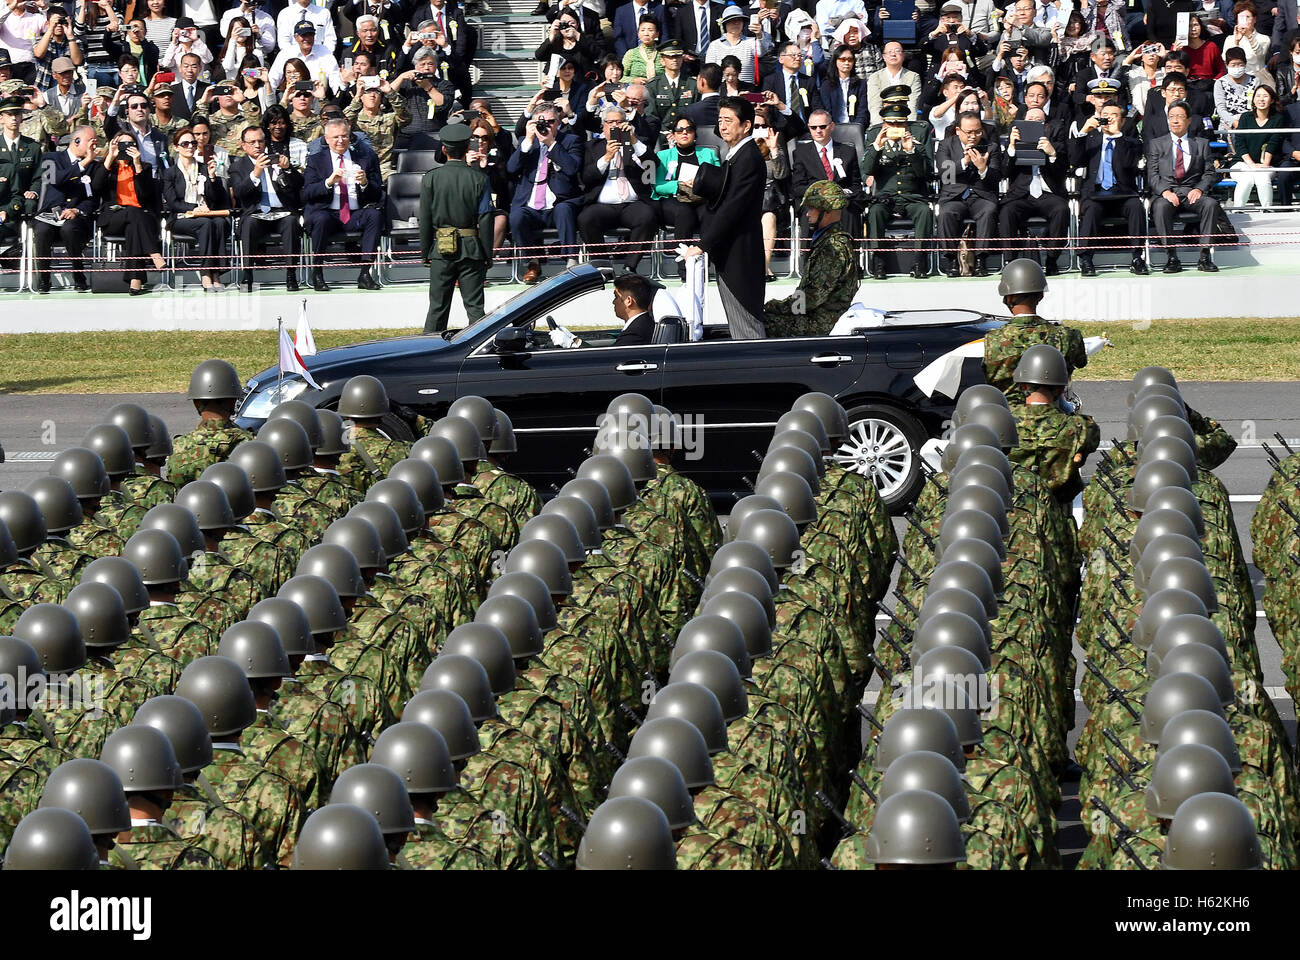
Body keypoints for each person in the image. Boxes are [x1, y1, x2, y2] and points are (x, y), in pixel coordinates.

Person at [684, 95, 766, 338]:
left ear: (746, 125)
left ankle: (759, 374)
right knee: (738, 323)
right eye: (720, 120)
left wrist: (702, 246)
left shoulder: (749, 157)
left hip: (741, 253)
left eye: (729, 120)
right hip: (730, 252)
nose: (722, 125)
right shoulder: (735, 154)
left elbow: (733, 207)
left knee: (746, 324)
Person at [419, 122, 493, 334]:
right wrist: (487, 254)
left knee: (437, 308)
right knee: (475, 308)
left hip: (441, 251)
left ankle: (428, 351)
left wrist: (425, 252)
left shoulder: (431, 178)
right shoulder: (480, 179)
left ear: (444, 149)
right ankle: (481, 350)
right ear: (467, 149)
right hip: (471, 250)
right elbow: (486, 219)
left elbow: (425, 218)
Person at [982, 257, 1087, 397]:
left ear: (1008, 298)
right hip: (1053, 412)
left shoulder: (992, 340)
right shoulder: (1067, 336)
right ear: (1041, 295)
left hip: (1007, 416)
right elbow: (1081, 362)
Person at [765, 181, 858, 338]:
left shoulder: (833, 248)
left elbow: (812, 297)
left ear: (827, 211)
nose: (808, 214)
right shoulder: (827, 241)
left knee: (761, 323)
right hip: (816, 317)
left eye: (812, 208)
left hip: (821, 323)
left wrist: (776, 306)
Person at [303, 116, 383, 290]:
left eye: (345, 136)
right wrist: (328, 182)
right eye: (336, 137)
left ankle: (364, 273)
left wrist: (365, 183)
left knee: (374, 215)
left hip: (354, 214)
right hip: (328, 214)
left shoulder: (364, 158)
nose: (341, 141)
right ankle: (317, 273)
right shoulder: (316, 160)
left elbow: (378, 193)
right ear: (326, 139)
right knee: (321, 219)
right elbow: (306, 193)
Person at [507, 101, 582, 284]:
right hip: (531, 204)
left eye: (550, 122)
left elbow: (572, 169)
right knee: (516, 216)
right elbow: (511, 169)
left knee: (564, 210)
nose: (545, 126)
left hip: (558, 202)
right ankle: (533, 263)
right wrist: (528, 141)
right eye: (540, 122)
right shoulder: (528, 144)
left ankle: (570, 260)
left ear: (558, 123)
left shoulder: (571, 140)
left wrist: (551, 143)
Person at [1069, 100, 1147, 275]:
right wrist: (1082, 133)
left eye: (1114, 116)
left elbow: (1128, 164)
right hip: (1095, 193)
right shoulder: (1090, 139)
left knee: (1136, 207)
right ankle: (1086, 259)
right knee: (1091, 210)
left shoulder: (1131, 142)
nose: (1109, 119)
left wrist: (1117, 136)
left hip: (1123, 193)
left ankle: (1137, 257)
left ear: (1123, 120)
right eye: (1105, 116)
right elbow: (1074, 160)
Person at [578, 103, 658, 274]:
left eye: (618, 122)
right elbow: (586, 177)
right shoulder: (592, 146)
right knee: (586, 219)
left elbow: (652, 167)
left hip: (632, 203)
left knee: (647, 216)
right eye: (610, 122)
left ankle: (630, 266)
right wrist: (607, 157)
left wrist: (634, 141)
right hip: (602, 205)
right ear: (603, 125)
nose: (614, 126)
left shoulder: (638, 144)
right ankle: (603, 266)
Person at [862, 99, 934, 279]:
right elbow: (868, 170)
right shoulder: (876, 143)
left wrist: (911, 152)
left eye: (899, 123)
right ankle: (878, 261)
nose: (895, 127)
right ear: (884, 124)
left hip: (912, 196)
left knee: (924, 211)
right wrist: (877, 146)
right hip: (886, 197)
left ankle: (919, 261)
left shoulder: (916, 145)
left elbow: (925, 174)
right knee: (875, 212)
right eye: (890, 123)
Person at [1148, 99, 1222, 272]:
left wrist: (1199, 189)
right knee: (1160, 207)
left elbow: (1210, 173)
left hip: (1191, 193)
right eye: (1171, 116)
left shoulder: (1201, 144)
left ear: (1189, 120)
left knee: (1210, 204)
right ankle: (1171, 257)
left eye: (1180, 116)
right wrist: (1165, 191)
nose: (1175, 120)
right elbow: (1152, 175)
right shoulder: (1157, 144)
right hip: (1167, 193)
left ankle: (1205, 256)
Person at [229, 121, 302, 291]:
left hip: (281, 211)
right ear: (243, 146)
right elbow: (239, 192)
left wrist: (288, 169)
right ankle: (247, 275)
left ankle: (291, 275)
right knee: (248, 225)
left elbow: (299, 185)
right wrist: (256, 173)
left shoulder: (276, 159)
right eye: (252, 142)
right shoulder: (237, 166)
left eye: (261, 141)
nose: (257, 145)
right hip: (256, 213)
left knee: (291, 222)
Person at [93, 127, 166, 293]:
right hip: (113, 217)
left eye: (130, 144)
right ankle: (154, 253)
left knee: (134, 223)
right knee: (134, 213)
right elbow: (96, 187)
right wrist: (110, 156)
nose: (125, 147)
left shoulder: (144, 167)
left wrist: (137, 164)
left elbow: (146, 195)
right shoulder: (106, 167)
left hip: (140, 218)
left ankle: (135, 280)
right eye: (122, 144)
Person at [1000, 106, 1069, 275]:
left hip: (1048, 192)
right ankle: (1010, 260)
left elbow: (1062, 173)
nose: (1033, 123)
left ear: (1045, 125)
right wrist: (1012, 148)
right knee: (1007, 210)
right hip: (1022, 194)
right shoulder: (1013, 140)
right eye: (1030, 120)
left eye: (1038, 120)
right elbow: (1004, 173)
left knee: (1061, 209)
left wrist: (1052, 154)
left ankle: (1052, 259)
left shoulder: (1056, 143)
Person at [32, 122, 98, 292]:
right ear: (76, 141)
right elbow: (56, 179)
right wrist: (84, 163)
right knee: (42, 231)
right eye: (91, 141)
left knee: (69, 229)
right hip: (49, 214)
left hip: (75, 216)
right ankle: (44, 279)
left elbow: (93, 197)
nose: (94, 145)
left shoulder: (93, 166)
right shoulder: (50, 158)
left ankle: (79, 275)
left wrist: (77, 210)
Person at [936, 109, 1003, 277]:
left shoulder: (991, 147)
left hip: (981, 195)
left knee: (988, 211)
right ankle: (951, 260)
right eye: (969, 132)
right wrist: (964, 162)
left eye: (978, 131)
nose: (973, 136)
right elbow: (944, 174)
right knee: (946, 213)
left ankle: (981, 260)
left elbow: (997, 177)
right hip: (955, 195)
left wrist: (983, 169)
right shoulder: (946, 145)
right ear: (958, 130)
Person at [162, 123, 229, 288]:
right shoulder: (170, 172)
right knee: (206, 223)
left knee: (220, 223)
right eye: (185, 144)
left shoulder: (204, 168)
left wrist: (213, 178)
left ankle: (217, 272)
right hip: (182, 217)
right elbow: (172, 202)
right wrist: (193, 208)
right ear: (176, 147)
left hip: (207, 213)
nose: (190, 146)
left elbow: (216, 198)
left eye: (192, 143)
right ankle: (206, 272)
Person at [652, 114, 719, 278]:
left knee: (709, 213)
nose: (684, 133)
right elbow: (657, 185)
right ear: (673, 134)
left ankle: (706, 263)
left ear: (695, 133)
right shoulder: (663, 156)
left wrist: (700, 183)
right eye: (679, 130)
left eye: (689, 130)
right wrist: (680, 184)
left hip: (701, 198)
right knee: (684, 213)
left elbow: (719, 178)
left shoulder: (708, 154)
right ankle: (684, 268)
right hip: (674, 199)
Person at [789, 108, 863, 234]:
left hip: (842, 201)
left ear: (832, 126)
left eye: (822, 126)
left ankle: (849, 252)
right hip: (813, 200)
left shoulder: (848, 151)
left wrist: (841, 194)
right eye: (813, 127)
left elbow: (855, 184)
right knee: (810, 212)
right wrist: (823, 193)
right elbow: (798, 187)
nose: (818, 131)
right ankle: (810, 253)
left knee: (849, 210)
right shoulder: (801, 153)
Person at [0, 95, 40, 261]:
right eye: (9, 114)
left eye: (17, 114)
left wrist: (34, 192)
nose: (14, 118)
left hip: (24, 202)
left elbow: (39, 177)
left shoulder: (32, 146)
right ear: (1, 118)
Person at [1231, 82, 1282, 206]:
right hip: (1243, 162)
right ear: (1253, 100)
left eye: (1265, 96)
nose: (1261, 99)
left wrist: (1264, 164)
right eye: (1258, 96)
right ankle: (1238, 211)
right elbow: (1240, 143)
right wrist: (1252, 165)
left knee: (1263, 179)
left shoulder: (1278, 118)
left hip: (1266, 163)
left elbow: (1273, 142)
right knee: (1246, 179)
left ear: (1272, 100)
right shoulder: (1245, 117)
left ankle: (1267, 210)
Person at [753, 104, 787, 281]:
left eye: (762, 126)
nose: (759, 129)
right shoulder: (742, 146)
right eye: (755, 126)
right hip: (745, 198)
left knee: (768, 217)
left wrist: (773, 150)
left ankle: (764, 266)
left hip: (769, 200)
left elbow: (781, 174)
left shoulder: (775, 146)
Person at [761, 40, 820, 140]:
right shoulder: (771, 80)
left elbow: (817, 107)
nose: (797, 58)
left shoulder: (808, 81)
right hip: (780, 128)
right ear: (781, 59)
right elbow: (766, 108)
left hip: (804, 127)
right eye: (793, 55)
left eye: (800, 55)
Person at [705, 4, 772, 84]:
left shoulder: (751, 42)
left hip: (746, 91)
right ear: (725, 23)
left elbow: (762, 51)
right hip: (721, 92)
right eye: (732, 20)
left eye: (739, 20)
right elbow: (710, 72)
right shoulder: (714, 45)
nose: (736, 23)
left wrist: (759, 35)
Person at [645, 39, 696, 135]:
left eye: (677, 56)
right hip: (661, 135)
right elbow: (651, 115)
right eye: (670, 57)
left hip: (686, 134)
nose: (674, 60)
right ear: (662, 61)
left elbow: (695, 114)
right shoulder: (653, 85)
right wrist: (665, 133)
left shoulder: (692, 84)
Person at [867, 42, 921, 119]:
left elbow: (913, 105)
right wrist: (880, 128)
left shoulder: (913, 77)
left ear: (903, 56)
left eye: (897, 51)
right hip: (882, 124)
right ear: (884, 57)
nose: (893, 54)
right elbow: (875, 107)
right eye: (890, 52)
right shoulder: (875, 77)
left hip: (906, 123)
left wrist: (907, 127)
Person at [819, 43, 868, 126]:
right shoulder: (826, 84)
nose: (847, 63)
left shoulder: (861, 84)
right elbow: (826, 110)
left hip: (855, 127)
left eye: (850, 60)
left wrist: (856, 128)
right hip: (833, 128)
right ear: (835, 61)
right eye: (842, 59)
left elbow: (862, 111)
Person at [1213, 45, 1260, 127]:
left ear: (1245, 63)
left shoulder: (1255, 81)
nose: (1237, 68)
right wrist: (1233, 123)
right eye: (1233, 65)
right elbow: (1221, 108)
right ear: (1226, 65)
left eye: (1240, 64)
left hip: (1251, 123)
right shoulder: (1220, 83)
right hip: (1227, 125)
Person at [607, 270, 655, 345]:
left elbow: (611, 356)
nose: (613, 302)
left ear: (628, 301)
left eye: (616, 297)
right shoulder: (645, 324)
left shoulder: (634, 334)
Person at [623, 14, 662, 80]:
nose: (646, 34)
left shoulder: (663, 53)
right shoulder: (631, 53)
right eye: (642, 30)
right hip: (635, 88)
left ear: (657, 34)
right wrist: (634, 80)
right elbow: (621, 77)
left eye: (650, 30)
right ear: (638, 33)